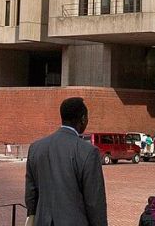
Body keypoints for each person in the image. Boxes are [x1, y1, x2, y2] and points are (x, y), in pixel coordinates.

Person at [24, 96, 108, 226]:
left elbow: (31, 194)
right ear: (83, 119)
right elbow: (95, 203)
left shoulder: (36, 148)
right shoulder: (88, 152)